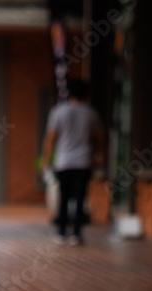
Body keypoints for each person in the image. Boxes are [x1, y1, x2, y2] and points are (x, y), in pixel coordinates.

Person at [40, 80, 104, 245]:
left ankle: (61, 232)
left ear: (68, 93)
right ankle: (76, 233)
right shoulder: (91, 113)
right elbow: (99, 137)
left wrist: (45, 159)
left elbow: (50, 138)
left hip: (64, 161)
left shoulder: (58, 112)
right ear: (86, 94)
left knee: (64, 196)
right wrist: (99, 154)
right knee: (80, 198)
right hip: (83, 161)